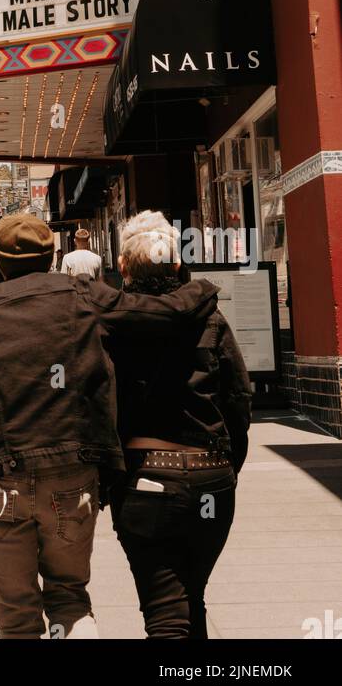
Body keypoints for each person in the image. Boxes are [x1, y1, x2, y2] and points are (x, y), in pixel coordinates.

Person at [0, 213, 219, 640]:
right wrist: (201, 287)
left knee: (15, 615)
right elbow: (160, 312)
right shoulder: (84, 295)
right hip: (73, 469)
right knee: (69, 596)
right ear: (52, 256)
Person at [105, 211, 251, 639]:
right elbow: (238, 399)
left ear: (125, 267)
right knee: (192, 595)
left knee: (165, 611)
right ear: (175, 264)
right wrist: (229, 465)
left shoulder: (112, 325)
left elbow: (99, 402)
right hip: (211, 476)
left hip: (146, 479)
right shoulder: (211, 318)